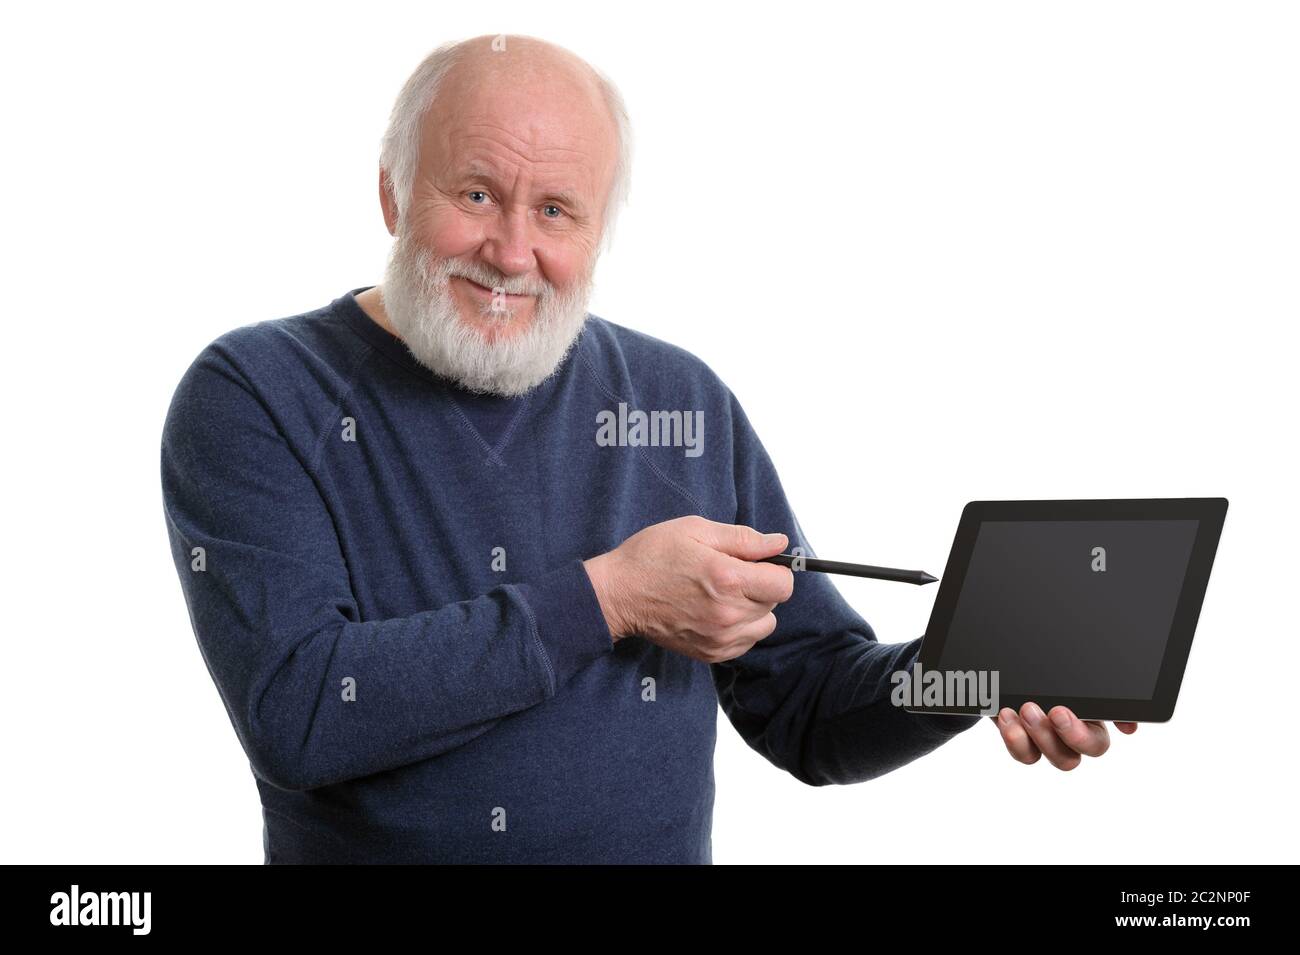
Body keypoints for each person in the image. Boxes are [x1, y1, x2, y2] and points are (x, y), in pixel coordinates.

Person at [160, 34, 1135, 864]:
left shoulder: (678, 401)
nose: (511, 251)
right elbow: (302, 710)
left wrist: (971, 666)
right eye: (476, 193)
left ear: (598, 229)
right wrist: (610, 598)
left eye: (555, 210)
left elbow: (805, 706)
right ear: (392, 192)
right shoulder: (257, 392)